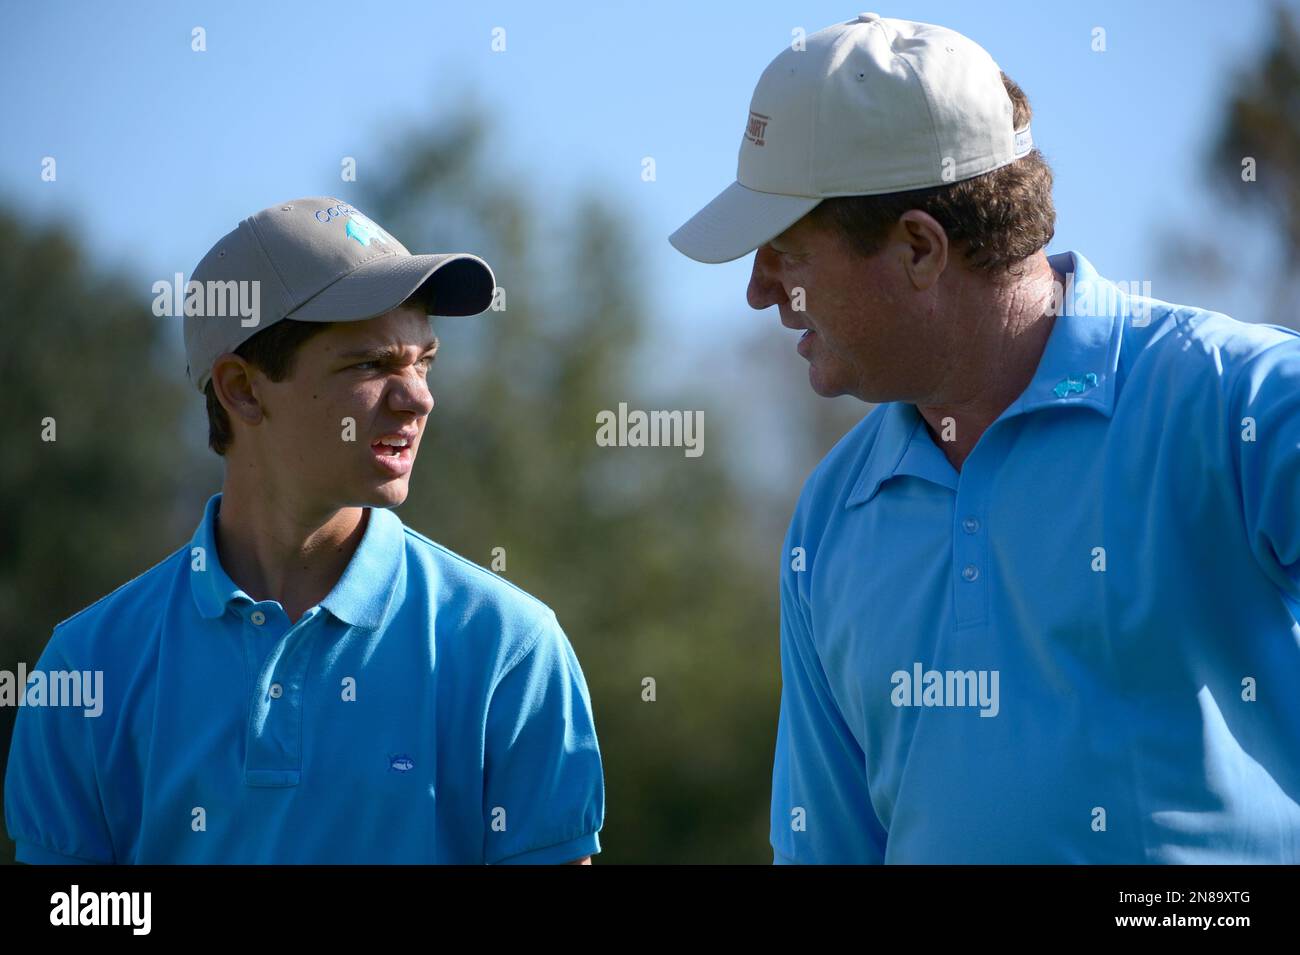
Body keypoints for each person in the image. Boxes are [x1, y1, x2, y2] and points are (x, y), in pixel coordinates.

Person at [670, 15, 1300, 863]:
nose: (758, 292)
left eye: (785, 254)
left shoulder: (1241, 404)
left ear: (920, 248)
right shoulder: (829, 517)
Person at [5, 197, 604, 864]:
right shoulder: (87, 666)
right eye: (371, 366)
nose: (418, 396)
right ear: (242, 389)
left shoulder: (510, 652)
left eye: (423, 362)